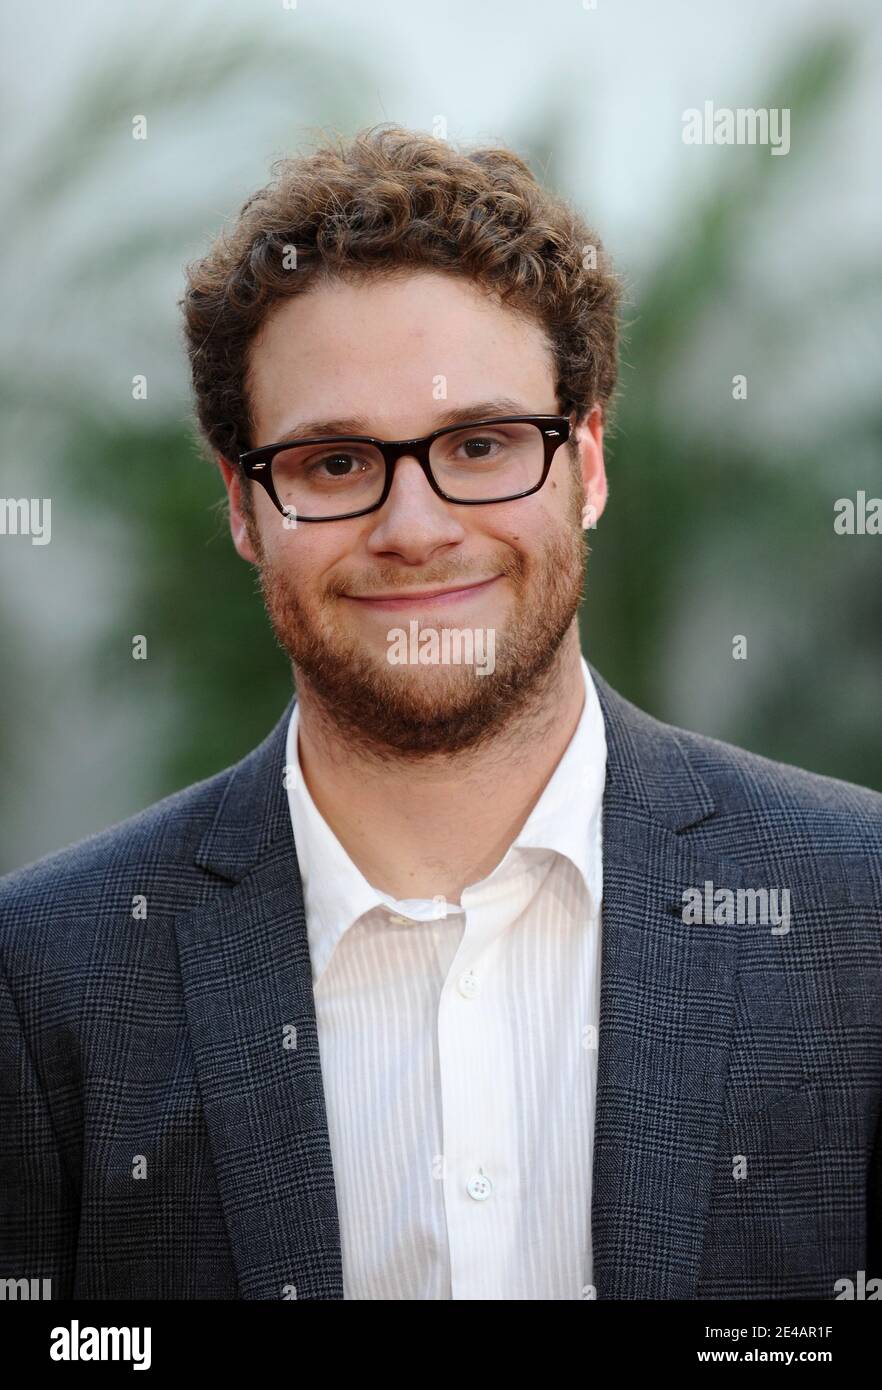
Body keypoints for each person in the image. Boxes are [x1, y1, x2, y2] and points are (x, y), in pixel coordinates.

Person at [1, 125, 880, 1301]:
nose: (415, 528)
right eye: (333, 463)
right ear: (243, 507)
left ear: (589, 463)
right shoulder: (44, 978)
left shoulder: (859, 911)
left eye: (480, 444)